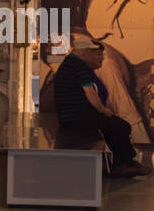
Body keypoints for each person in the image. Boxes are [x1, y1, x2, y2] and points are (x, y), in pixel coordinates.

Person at [53, 33, 149, 176]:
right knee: (119, 126)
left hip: (75, 115)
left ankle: (124, 161)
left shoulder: (71, 64)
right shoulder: (78, 66)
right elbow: (90, 93)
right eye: (96, 54)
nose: (101, 58)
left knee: (117, 125)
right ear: (84, 52)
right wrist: (103, 110)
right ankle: (122, 163)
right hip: (77, 117)